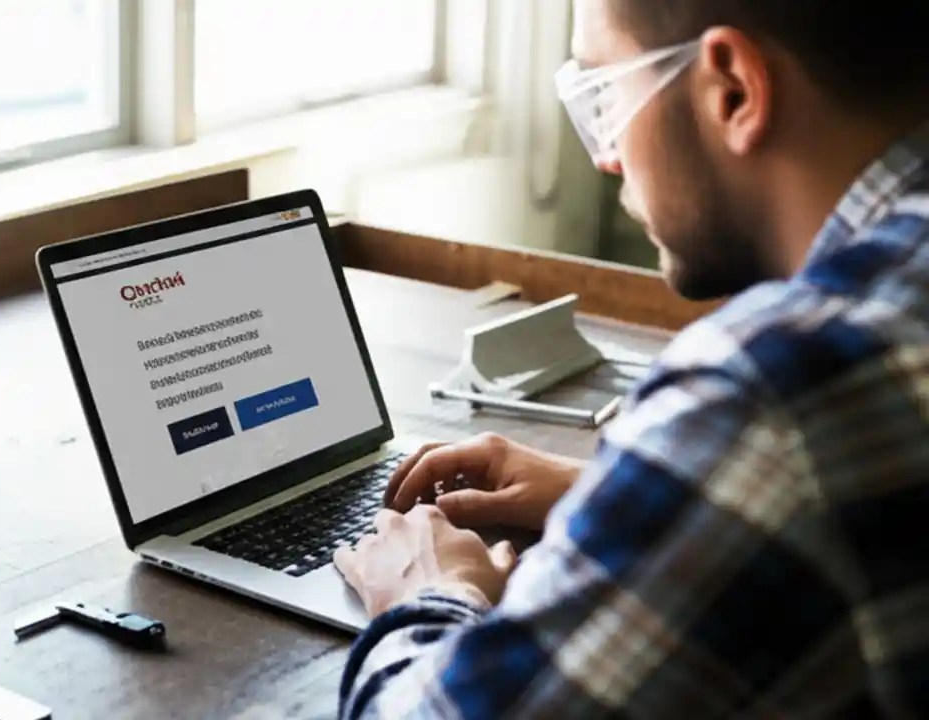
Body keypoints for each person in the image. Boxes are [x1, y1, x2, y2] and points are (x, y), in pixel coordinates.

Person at [333, 0, 929, 716]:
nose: (605, 155)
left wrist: (431, 591)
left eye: (605, 93)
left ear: (732, 89)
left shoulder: (774, 391)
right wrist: (636, 491)